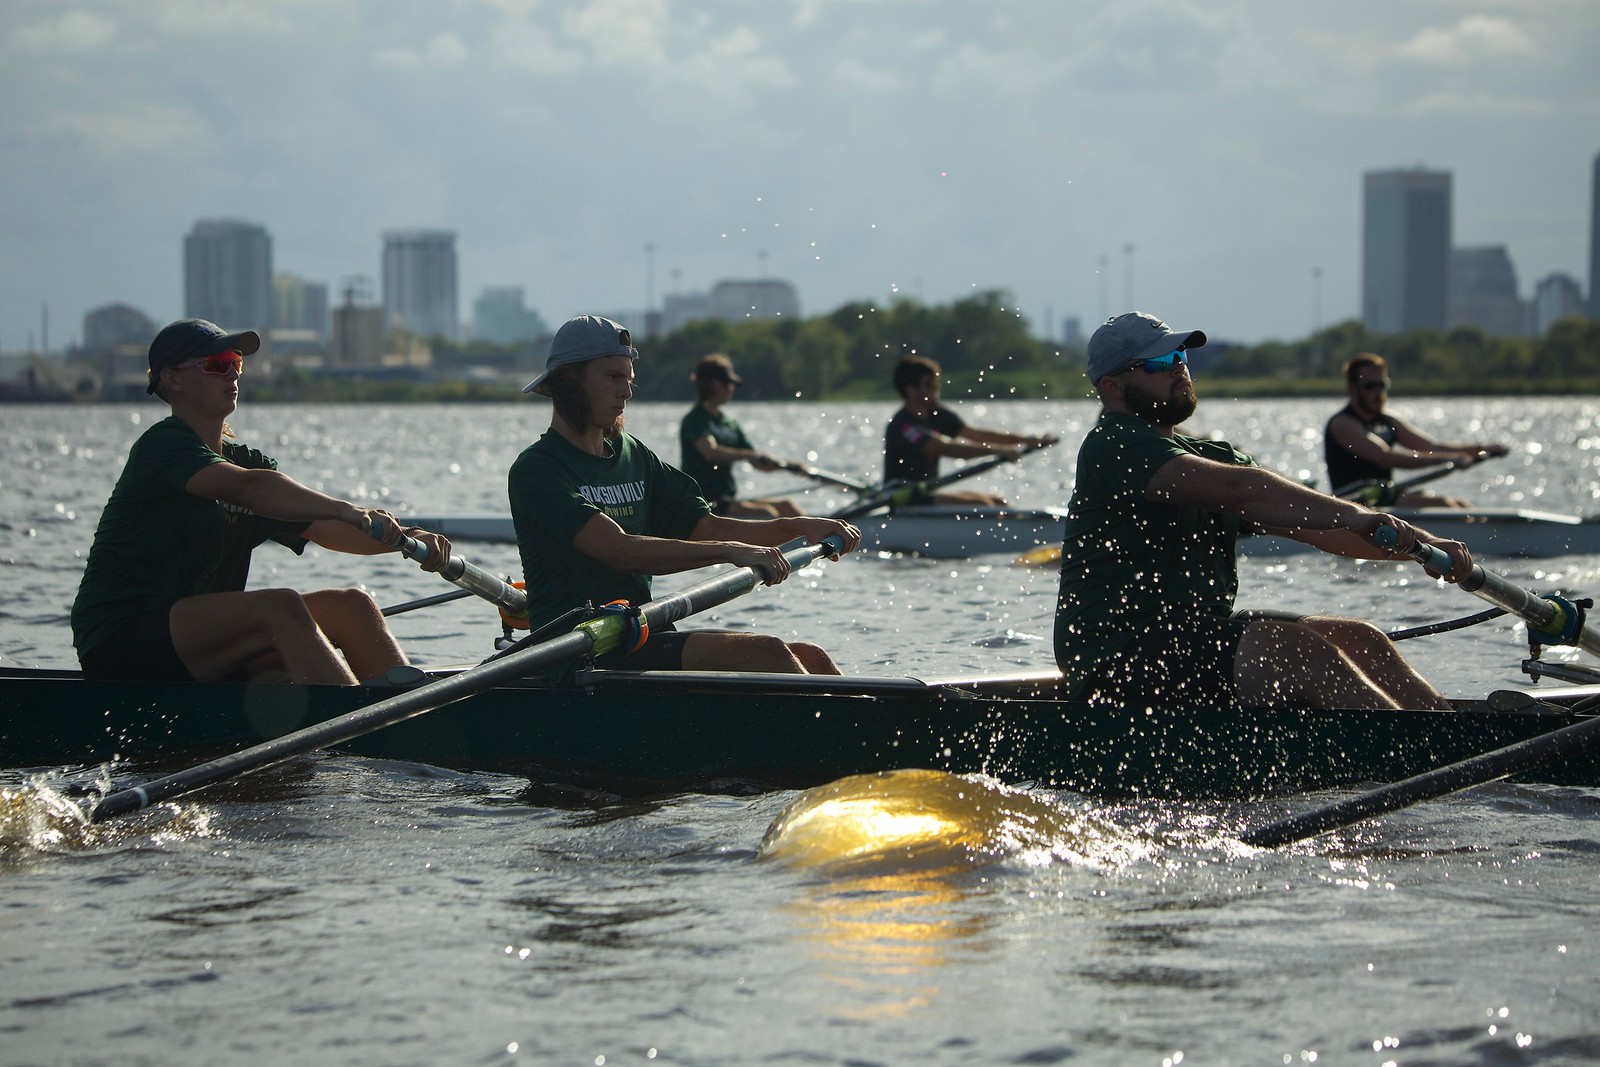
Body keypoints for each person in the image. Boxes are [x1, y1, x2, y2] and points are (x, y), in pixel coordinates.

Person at [1054, 311, 1475, 712]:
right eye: (1160, 361)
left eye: (1182, 356)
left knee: (1361, 639)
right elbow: (1240, 489)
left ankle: (1447, 737)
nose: (1178, 367)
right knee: (1293, 647)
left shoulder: (1211, 454)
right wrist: (1353, 514)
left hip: (1189, 637)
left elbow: (1315, 527)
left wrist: (1424, 548)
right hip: (1114, 655)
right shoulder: (1112, 445)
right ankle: (1409, 755)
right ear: (1112, 387)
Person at [70, 318, 453, 686]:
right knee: (280, 609)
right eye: (217, 365)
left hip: (203, 642)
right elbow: (250, 489)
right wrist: (346, 507)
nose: (233, 374)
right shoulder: (162, 447)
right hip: (120, 640)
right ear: (172, 379)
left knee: (353, 606)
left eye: (236, 363)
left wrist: (407, 538)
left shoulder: (247, 462)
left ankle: (409, 716)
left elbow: (325, 529)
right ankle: (362, 725)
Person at [509, 315, 862, 677]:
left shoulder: (634, 455)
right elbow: (621, 550)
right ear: (569, 381)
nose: (627, 392)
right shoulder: (537, 471)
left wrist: (798, 527)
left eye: (628, 379)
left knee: (811, 656)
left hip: (635, 634)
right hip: (575, 653)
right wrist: (728, 552)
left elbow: (704, 525)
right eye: (613, 377)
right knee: (767, 653)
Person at [1325, 352, 1509, 508]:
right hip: (1354, 504)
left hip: (1384, 497)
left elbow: (1429, 446)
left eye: (1383, 385)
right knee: (1447, 505)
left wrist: (1482, 449)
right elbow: (1384, 457)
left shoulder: (1388, 419)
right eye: (1370, 386)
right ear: (1352, 388)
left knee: (1460, 505)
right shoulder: (1343, 424)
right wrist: (1447, 459)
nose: (1378, 393)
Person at [884, 355, 1056, 507]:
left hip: (925, 494)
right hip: (903, 499)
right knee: (983, 505)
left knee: (999, 503)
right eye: (929, 385)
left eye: (936, 384)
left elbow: (977, 435)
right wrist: (1000, 452)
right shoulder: (902, 425)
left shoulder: (937, 414)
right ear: (910, 389)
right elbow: (947, 448)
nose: (936, 390)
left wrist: (1027, 440)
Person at [679, 353, 801, 518]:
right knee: (766, 514)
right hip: (704, 503)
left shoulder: (729, 424)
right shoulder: (695, 419)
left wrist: (788, 466)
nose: (731, 388)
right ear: (712, 383)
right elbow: (711, 453)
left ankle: (823, 535)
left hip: (727, 500)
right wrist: (750, 455)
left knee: (788, 507)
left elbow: (757, 461)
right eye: (727, 383)